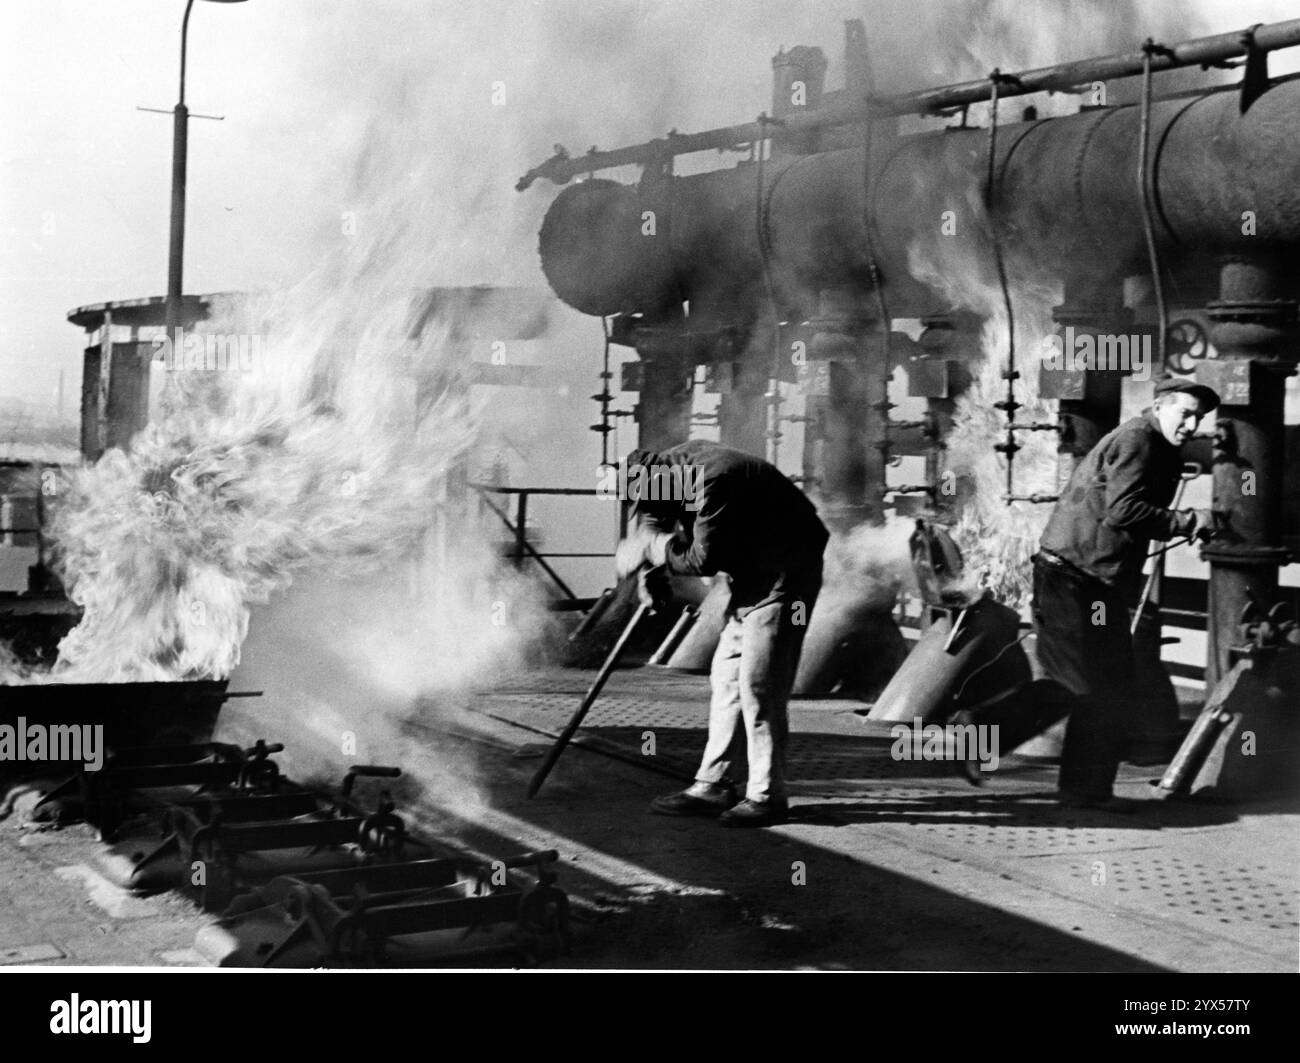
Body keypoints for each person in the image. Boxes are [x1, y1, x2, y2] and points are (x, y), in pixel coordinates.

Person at [965, 376, 1222, 812]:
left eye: (1199, 418)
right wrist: (1188, 520)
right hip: (1072, 578)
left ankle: (1084, 790)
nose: (1191, 424)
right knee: (1078, 682)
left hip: (1096, 584)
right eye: (1185, 413)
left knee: (1109, 686)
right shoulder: (1139, 439)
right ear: (1160, 406)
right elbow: (1124, 511)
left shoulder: (1155, 444)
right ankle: (981, 733)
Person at [614, 440, 829, 827]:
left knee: (759, 686)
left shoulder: (713, 480)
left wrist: (656, 550)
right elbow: (653, 519)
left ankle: (767, 796)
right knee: (726, 678)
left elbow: (704, 558)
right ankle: (714, 783)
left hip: (785, 575)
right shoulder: (667, 469)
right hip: (749, 573)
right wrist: (650, 569)